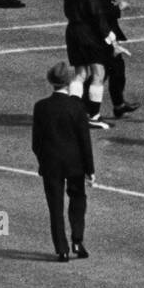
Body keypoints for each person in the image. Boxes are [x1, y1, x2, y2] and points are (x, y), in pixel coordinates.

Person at [31, 61, 95, 261]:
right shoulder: (76, 106)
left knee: (55, 206)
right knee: (78, 200)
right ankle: (77, 240)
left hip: (51, 164)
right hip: (74, 164)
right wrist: (90, 169)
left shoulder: (41, 107)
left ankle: (62, 249)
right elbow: (85, 141)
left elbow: (36, 141)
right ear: (68, 83)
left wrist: (44, 160)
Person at [63, 0, 128, 129]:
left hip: (72, 32)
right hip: (87, 34)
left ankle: (74, 112)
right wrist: (110, 39)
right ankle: (93, 116)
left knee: (80, 74)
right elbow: (97, 16)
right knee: (98, 74)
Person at [92, 0, 139, 119]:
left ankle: (118, 105)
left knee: (113, 70)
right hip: (104, 37)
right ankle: (88, 108)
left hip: (106, 35)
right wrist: (120, 7)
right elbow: (103, 12)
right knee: (103, 73)